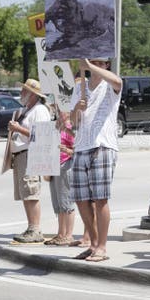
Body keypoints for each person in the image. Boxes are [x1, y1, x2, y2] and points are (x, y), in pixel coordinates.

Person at [69, 57, 122, 262]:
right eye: (94, 62)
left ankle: (102, 246)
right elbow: (72, 121)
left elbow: (119, 83)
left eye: (101, 63)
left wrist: (89, 67)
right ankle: (92, 242)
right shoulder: (80, 87)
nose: (97, 66)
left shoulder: (109, 86)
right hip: (81, 145)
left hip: (103, 145)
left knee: (100, 199)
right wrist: (77, 109)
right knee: (81, 199)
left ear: (106, 65)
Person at [8, 79, 52, 243]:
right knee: (26, 193)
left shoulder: (39, 110)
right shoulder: (29, 109)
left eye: (24, 91)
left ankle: (35, 229)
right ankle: (31, 227)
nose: (21, 93)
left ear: (32, 94)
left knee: (31, 191)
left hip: (31, 154)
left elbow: (42, 135)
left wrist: (17, 129)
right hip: (23, 154)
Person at [44, 106, 82, 246]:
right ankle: (61, 233)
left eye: (62, 110)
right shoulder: (54, 126)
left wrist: (67, 150)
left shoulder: (69, 127)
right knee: (58, 202)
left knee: (66, 201)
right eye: (58, 109)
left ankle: (69, 234)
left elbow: (78, 148)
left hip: (65, 165)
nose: (60, 112)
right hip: (54, 165)